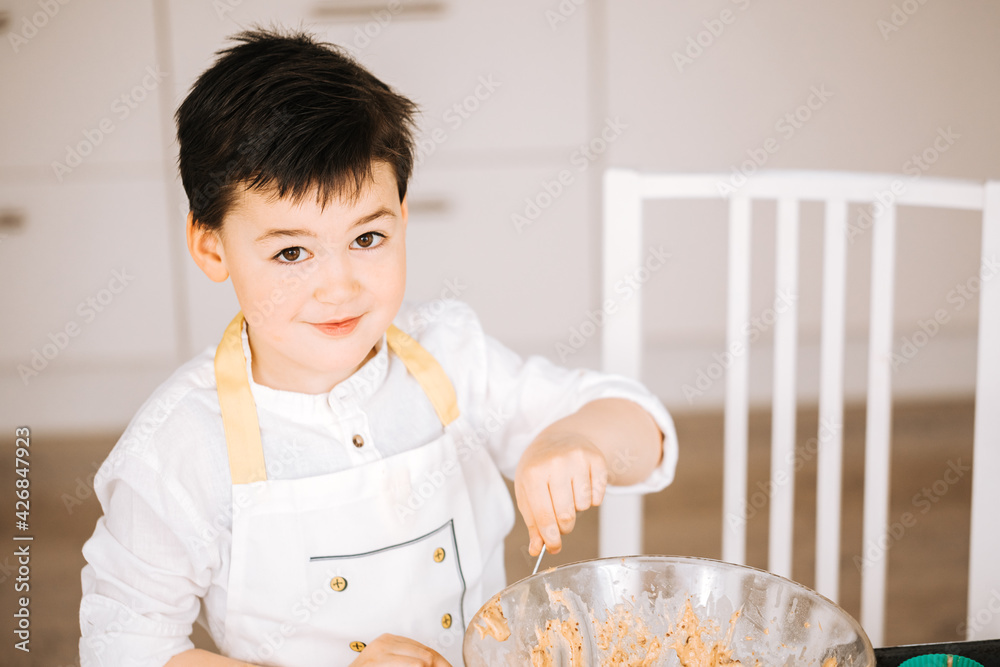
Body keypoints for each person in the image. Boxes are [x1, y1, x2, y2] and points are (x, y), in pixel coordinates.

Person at [79, 27, 678, 667]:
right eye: (291, 252)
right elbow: (126, 644)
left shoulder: (449, 355)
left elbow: (645, 436)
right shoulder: (180, 447)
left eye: (367, 239)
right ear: (211, 247)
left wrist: (578, 438)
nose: (339, 288)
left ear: (402, 214)